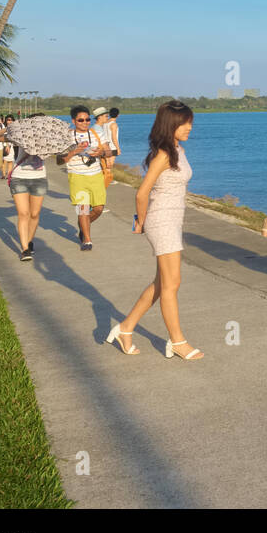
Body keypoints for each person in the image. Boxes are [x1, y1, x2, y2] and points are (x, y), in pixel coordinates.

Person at [106, 100, 202, 360]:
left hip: (173, 219)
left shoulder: (177, 149)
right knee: (172, 284)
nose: (190, 127)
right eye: (185, 123)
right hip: (161, 221)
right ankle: (177, 341)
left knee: (162, 284)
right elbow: (142, 192)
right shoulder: (163, 153)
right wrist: (141, 221)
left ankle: (125, 328)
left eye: (190, 122)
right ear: (171, 124)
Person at [0, 121, 47, 261]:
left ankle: (29, 241)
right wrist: (8, 128)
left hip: (39, 179)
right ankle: (25, 249)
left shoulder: (48, 139)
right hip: (20, 178)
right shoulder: (20, 137)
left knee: (35, 214)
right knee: (24, 213)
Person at [56, 105, 112, 251]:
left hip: (96, 175)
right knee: (83, 209)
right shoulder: (66, 136)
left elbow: (109, 152)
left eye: (87, 119)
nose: (85, 122)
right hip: (77, 177)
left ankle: (83, 224)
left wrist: (100, 152)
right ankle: (87, 240)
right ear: (74, 121)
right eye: (81, 120)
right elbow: (59, 161)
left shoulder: (96, 133)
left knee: (98, 209)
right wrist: (75, 151)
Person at [93, 107, 116, 186]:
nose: (108, 118)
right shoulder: (98, 129)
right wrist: (107, 159)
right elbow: (102, 145)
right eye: (106, 116)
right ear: (99, 117)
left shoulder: (96, 127)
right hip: (100, 157)